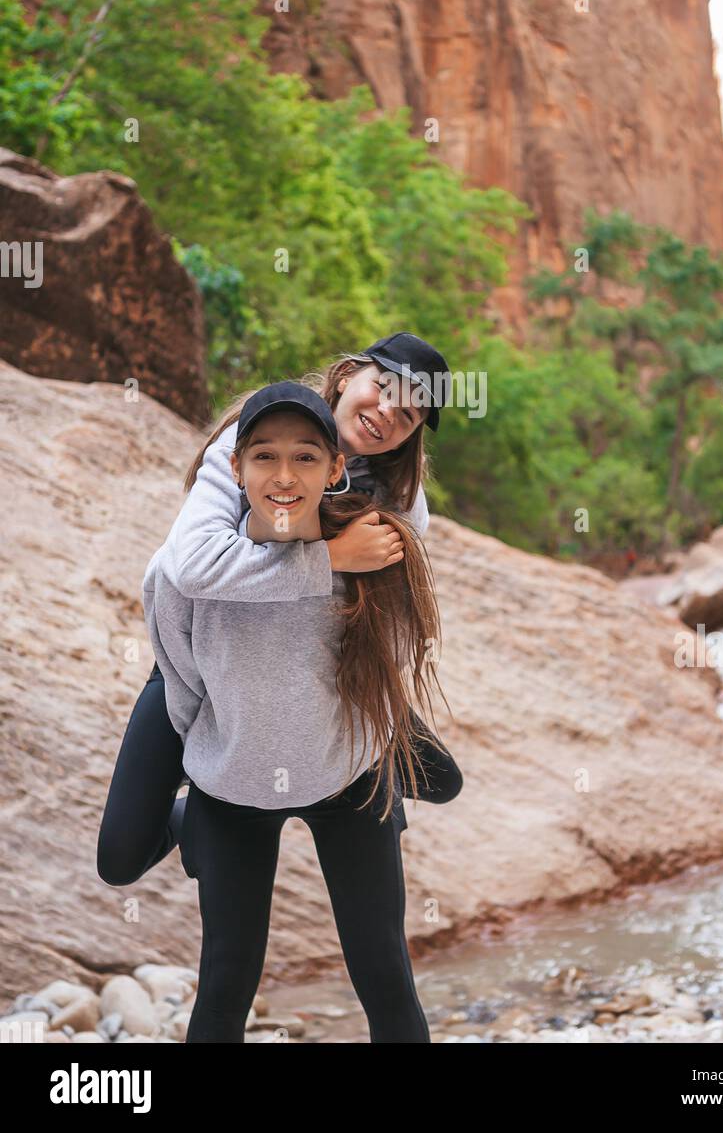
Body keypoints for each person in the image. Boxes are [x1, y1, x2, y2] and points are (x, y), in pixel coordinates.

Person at [97, 333, 462, 887]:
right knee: (120, 859)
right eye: (382, 387)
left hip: (320, 677)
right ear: (346, 376)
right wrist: (331, 557)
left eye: (409, 415)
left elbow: (390, 610)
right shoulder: (252, 438)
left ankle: (364, 764)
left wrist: (374, 706)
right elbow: (193, 567)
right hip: (209, 670)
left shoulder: (400, 497)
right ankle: (200, 806)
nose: (388, 413)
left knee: (441, 779)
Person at [142, 381, 444, 1042]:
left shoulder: (378, 542)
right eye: (265, 458)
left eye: (307, 457)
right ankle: (186, 817)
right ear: (236, 465)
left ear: (335, 466)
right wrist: (216, 747)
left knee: (385, 973)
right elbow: (182, 672)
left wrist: (372, 736)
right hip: (234, 786)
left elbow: (393, 656)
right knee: (225, 980)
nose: (284, 476)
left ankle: (411, 752)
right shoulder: (195, 570)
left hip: (350, 780)